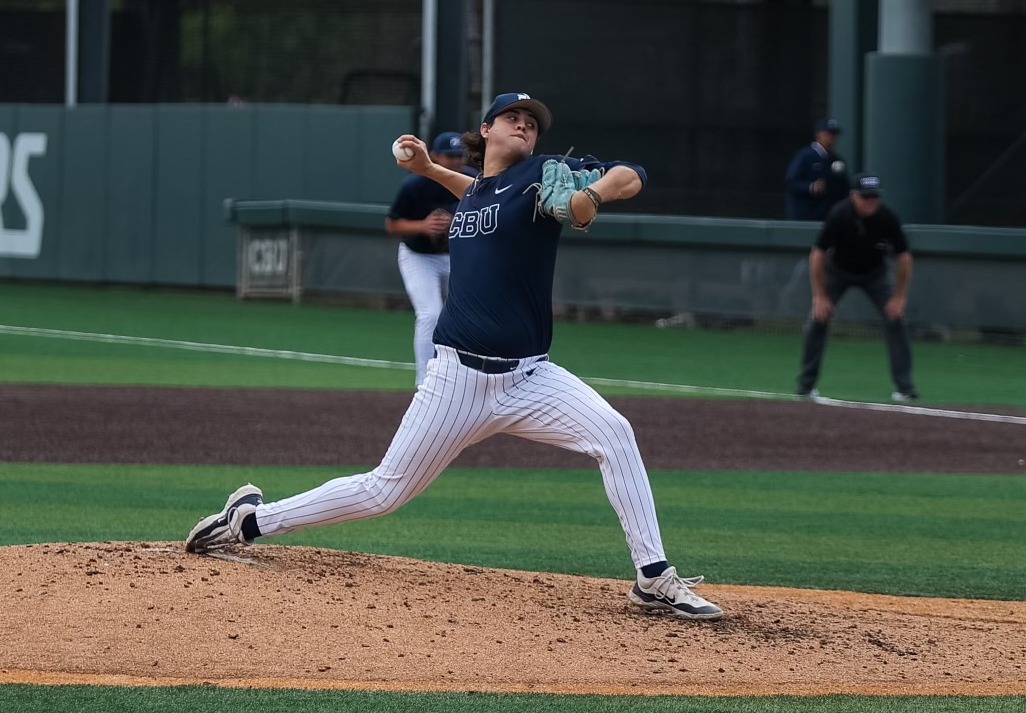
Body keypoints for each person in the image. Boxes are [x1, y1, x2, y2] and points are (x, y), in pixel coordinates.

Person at [187, 91, 723, 620]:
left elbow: (633, 173)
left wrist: (596, 194)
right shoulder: (480, 192)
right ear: (485, 130)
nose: (524, 126)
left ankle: (652, 577)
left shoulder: (541, 176)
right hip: (457, 382)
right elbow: (478, 189)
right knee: (383, 492)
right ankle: (248, 522)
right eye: (511, 117)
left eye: (531, 123)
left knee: (614, 433)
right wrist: (426, 168)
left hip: (531, 378)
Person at [795, 173, 919, 402]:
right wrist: (820, 296)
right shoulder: (839, 215)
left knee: (896, 319)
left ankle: (905, 388)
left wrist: (900, 297)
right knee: (817, 320)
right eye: (865, 198)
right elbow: (818, 254)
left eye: (874, 198)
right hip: (838, 272)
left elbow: (904, 257)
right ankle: (806, 386)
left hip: (875, 274)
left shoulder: (887, 217)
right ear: (854, 196)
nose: (870, 203)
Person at [384, 131, 476, 387]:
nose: (456, 161)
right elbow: (392, 225)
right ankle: (425, 382)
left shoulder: (472, 181)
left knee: (471, 314)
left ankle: (467, 376)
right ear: (434, 156)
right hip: (419, 257)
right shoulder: (415, 185)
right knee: (430, 314)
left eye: (459, 156)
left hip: (457, 258)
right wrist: (423, 226)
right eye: (449, 156)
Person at [784, 117, 849, 222]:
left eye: (835, 134)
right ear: (818, 134)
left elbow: (844, 189)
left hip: (828, 219)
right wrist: (811, 187)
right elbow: (791, 182)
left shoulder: (837, 160)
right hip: (805, 218)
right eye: (828, 134)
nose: (832, 138)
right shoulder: (805, 156)